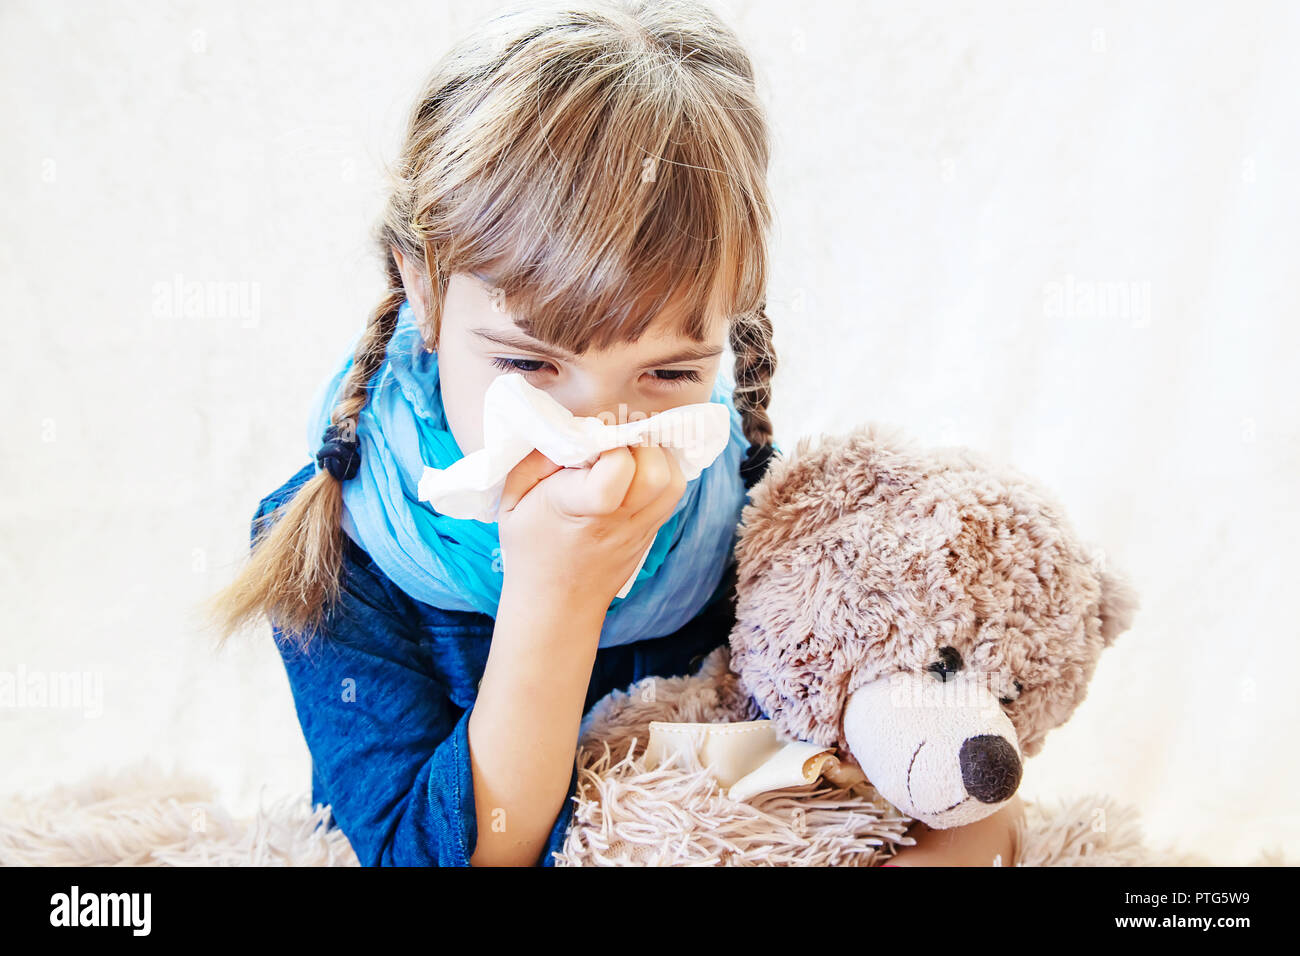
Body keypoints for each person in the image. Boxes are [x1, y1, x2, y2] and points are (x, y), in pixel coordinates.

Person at [206, 0, 1021, 867]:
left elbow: (952, 764)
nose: (598, 436)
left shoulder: (770, 519)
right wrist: (557, 594)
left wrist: (957, 840)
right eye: (530, 366)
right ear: (423, 289)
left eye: (668, 374)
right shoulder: (339, 544)